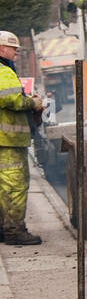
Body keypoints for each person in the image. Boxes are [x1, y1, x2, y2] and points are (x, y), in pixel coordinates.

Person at [0, 30, 46, 245]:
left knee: (4, 187)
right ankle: (14, 231)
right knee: (15, 186)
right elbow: (12, 100)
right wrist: (33, 103)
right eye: (13, 49)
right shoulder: (3, 71)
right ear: (2, 49)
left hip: (6, 140)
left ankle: (4, 228)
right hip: (7, 141)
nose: (16, 53)